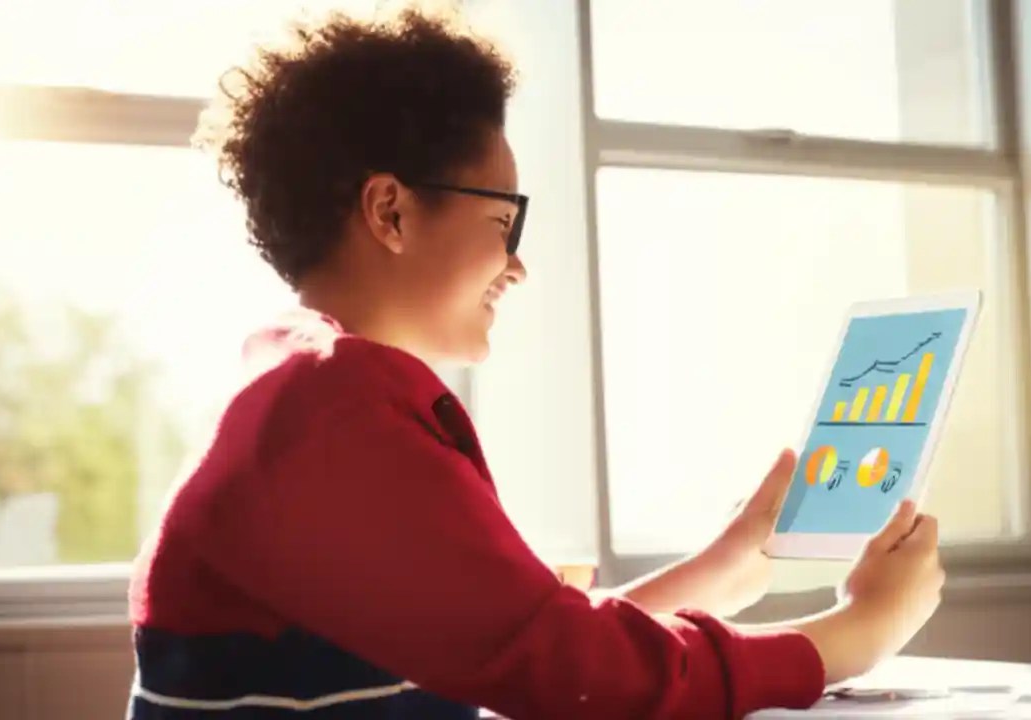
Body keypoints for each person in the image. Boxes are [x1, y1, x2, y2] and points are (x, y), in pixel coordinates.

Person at [127, 6, 945, 719]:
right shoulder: (331, 412)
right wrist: (851, 637)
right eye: (504, 222)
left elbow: (516, 647)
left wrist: (726, 569)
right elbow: (570, 678)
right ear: (390, 210)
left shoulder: (297, 393)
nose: (517, 267)